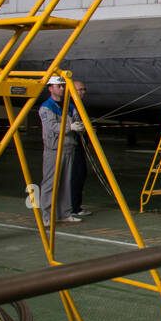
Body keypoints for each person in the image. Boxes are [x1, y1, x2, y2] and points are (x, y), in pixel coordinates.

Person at [38, 74, 82, 227]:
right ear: (50, 88)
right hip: (54, 149)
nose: (62, 88)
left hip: (69, 148)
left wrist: (79, 126)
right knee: (50, 183)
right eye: (59, 86)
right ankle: (47, 215)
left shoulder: (69, 106)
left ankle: (64, 213)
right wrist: (70, 127)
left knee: (66, 182)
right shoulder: (46, 107)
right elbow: (51, 127)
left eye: (63, 86)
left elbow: (76, 119)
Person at [67, 79, 91, 218]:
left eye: (83, 89)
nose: (82, 92)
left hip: (80, 145)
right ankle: (71, 207)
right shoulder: (69, 106)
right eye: (79, 90)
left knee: (80, 174)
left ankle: (76, 206)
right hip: (71, 146)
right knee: (74, 175)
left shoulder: (80, 105)